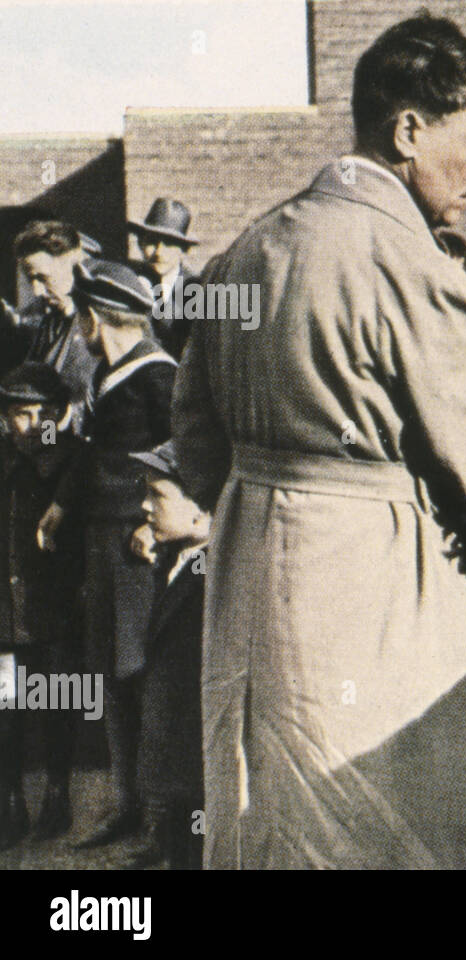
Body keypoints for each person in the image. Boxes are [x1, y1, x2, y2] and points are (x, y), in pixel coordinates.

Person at [172, 12, 466, 869]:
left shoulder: (243, 252)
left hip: (247, 572)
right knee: (387, 817)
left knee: (271, 812)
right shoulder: (409, 263)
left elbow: (193, 438)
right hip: (373, 587)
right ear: (408, 129)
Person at [39, 260, 176, 851]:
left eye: (83, 320)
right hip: (102, 543)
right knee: (111, 681)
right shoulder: (107, 372)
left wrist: (158, 527)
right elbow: (92, 452)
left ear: (95, 318)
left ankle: (160, 820)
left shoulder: (157, 375)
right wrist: (62, 506)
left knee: (141, 677)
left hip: (138, 546)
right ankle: (125, 805)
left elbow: (186, 452)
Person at [0, 363, 86, 849]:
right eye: (19, 414)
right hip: (5, 614)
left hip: (53, 611)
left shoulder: (70, 460)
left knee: (57, 702)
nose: (30, 426)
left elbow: (80, 466)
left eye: (41, 415)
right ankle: (10, 799)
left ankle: (58, 791)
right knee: (6, 709)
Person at [116, 440, 206, 870]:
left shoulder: (215, 570)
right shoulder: (175, 556)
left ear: (201, 509)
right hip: (175, 754)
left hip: (198, 752)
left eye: (158, 495)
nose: (145, 506)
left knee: (197, 845)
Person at [1, 222, 98, 426]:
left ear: (74, 264)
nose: (36, 291)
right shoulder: (49, 323)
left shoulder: (101, 324)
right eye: (31, 280)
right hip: (50, 440)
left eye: (42, 278)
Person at [128, 197, 200, 359]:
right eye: (152, 242)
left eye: (169, 243)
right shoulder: (130, 283)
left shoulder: (197, 290)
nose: (159, 252)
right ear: (140, 243)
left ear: (183, 250)